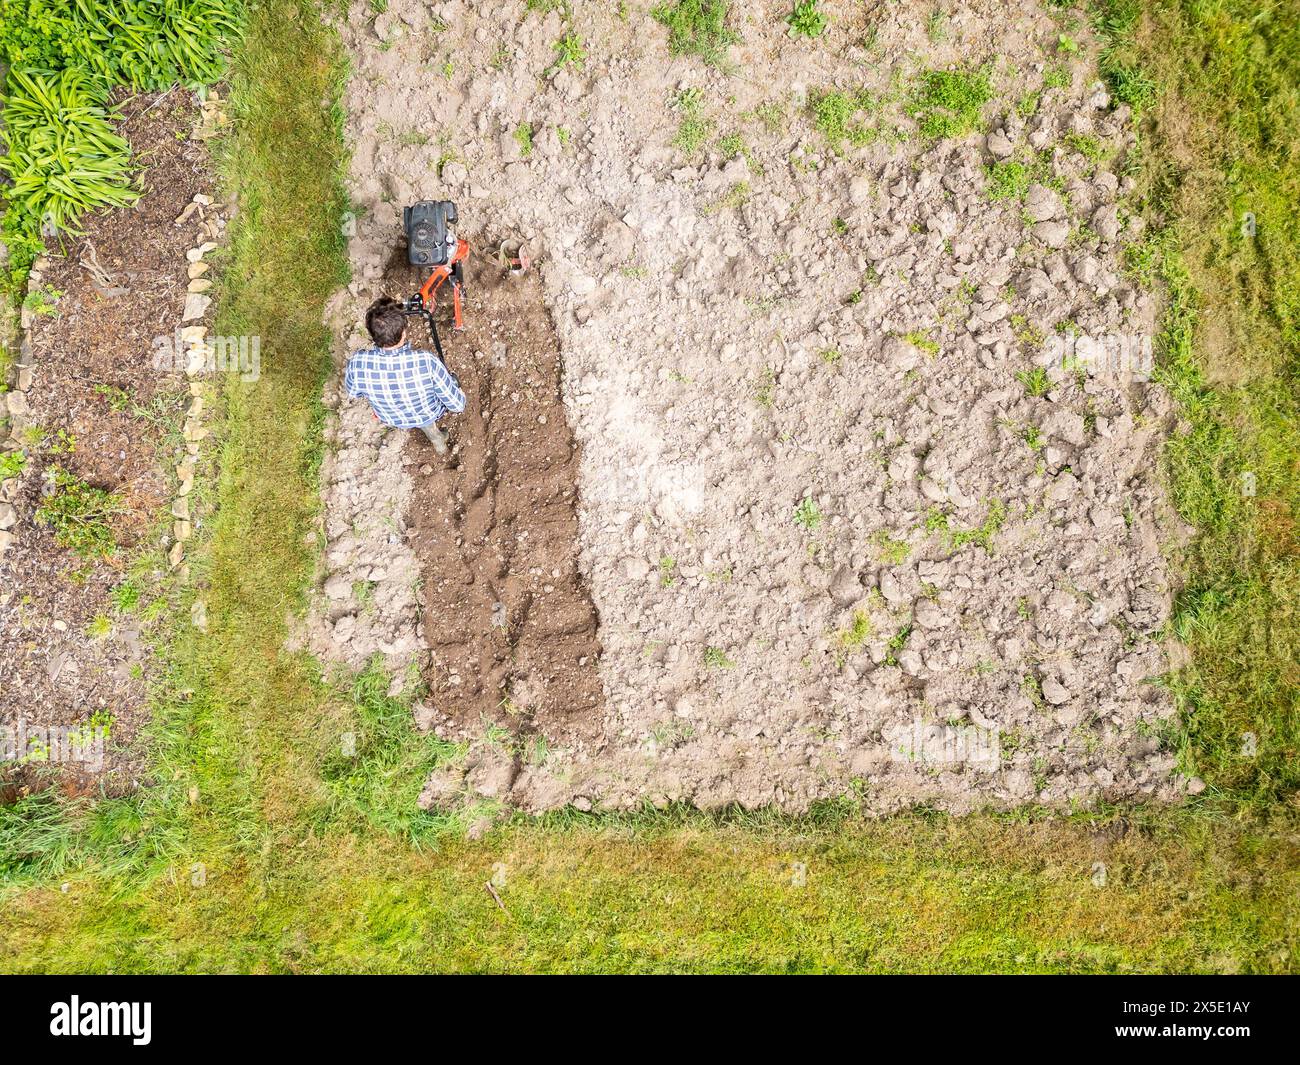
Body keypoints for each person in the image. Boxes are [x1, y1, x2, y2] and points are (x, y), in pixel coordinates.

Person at [343, 297, 465, 453]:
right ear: (404, 332)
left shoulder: (357, 362)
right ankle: (438, 442)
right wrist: (458, 390)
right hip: (427, 413)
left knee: (416, 415)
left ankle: (438, 441)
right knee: (433, 409)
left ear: (372, 334)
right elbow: (457, 405)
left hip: (392, 418)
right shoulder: (426, 361)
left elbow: (354, 392)